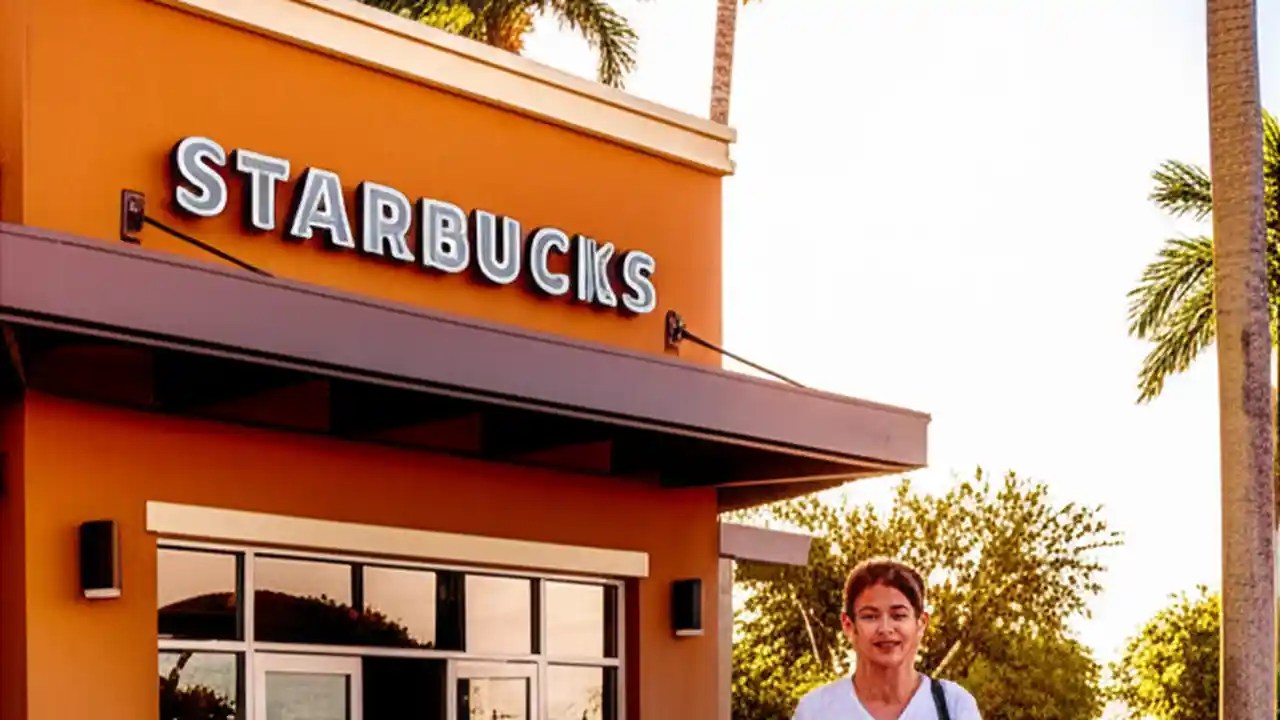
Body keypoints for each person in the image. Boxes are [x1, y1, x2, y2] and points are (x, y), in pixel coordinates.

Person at [792, 558, 981, 720]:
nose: (885, 629)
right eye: (870, 616)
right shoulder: (815, 711)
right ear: (848, 625)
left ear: (921, 623)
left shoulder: (953, 706)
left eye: (898, 615)